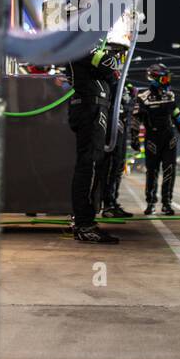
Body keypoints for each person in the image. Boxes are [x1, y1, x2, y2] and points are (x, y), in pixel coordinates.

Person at [65, 36, 126, 243]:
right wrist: (109, 60)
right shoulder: (78, 46)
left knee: (93, 163)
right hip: (89, 108)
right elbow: (111, 67)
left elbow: (112, 72)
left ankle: (84, 221)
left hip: (95, 107)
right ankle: (84, 224)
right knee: (88, 164)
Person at [131, 63, 180, 215]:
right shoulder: (142, 97)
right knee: (152, 172)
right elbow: (136, 119)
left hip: (169, 138)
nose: (167, 81)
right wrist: (134, 137)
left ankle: (167, 203)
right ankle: (150, 202)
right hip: (152, 139)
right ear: (154, 78)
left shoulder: (170, 95)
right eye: (164, 78)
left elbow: (177, 115)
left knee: (169, 171)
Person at [99, 82, 135, 219]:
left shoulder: (123, 82)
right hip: (111, 123)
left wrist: (131, 95)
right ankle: (107, 205)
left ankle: (112, 202)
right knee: (110, 166)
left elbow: (128, 105)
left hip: (120, 123)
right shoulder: (108, 78)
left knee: (118, 166)